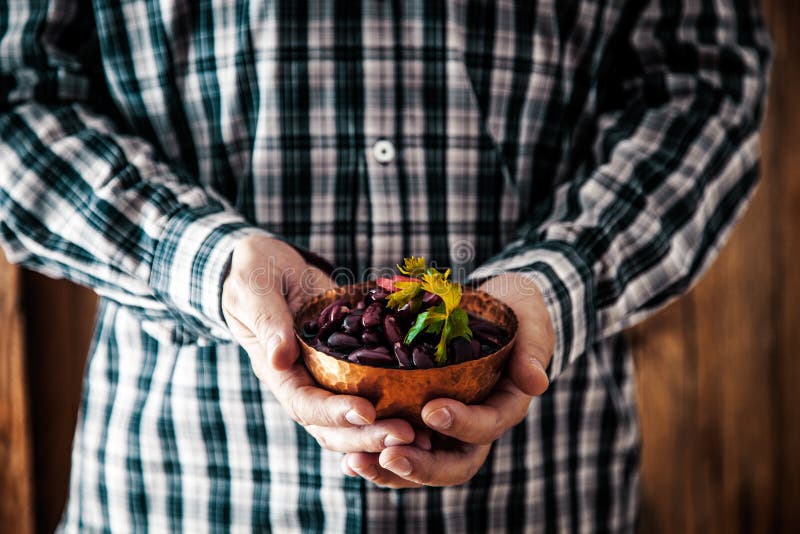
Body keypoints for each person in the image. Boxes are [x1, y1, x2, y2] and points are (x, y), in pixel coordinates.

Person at [0, 0, 770, 532]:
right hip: (185, 488)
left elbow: (704, 84)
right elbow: (14, 97)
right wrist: (208, 261)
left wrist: (560, 279)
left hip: (544, 491)